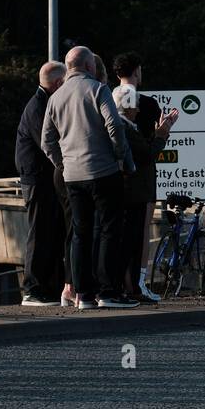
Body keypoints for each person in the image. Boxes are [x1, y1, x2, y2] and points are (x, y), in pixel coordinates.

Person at [42, 45, 137, 310]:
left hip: (72, 176)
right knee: (110, 229)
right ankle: (108, 291)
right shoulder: (98, 89)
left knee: (80, 234)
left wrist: (62, 163)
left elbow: (46, 141)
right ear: (89, 66)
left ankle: (83, 295)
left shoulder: (56, 97)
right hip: (103, 171)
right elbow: (114, 125)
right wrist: (124, 160)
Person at [113, 85, 176, 301]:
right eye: (135, 106)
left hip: (135, 192)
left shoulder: (127, 126)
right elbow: (147, 155)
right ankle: (125, 288)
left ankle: (130, 288)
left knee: (131, 242)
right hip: (133, 193)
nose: (138, 110)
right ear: (127, 107)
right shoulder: (124, 128)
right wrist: (161, 135)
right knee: (129, 243)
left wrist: (160, 133)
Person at [15, 62, 67, 306]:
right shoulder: (38, 107)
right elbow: (49, 143)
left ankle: (48, 286)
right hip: (38, 179)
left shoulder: (41, 103)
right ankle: (33, 289)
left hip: (42, 179)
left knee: (51, 232)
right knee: (40, 232)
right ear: (57, 84)